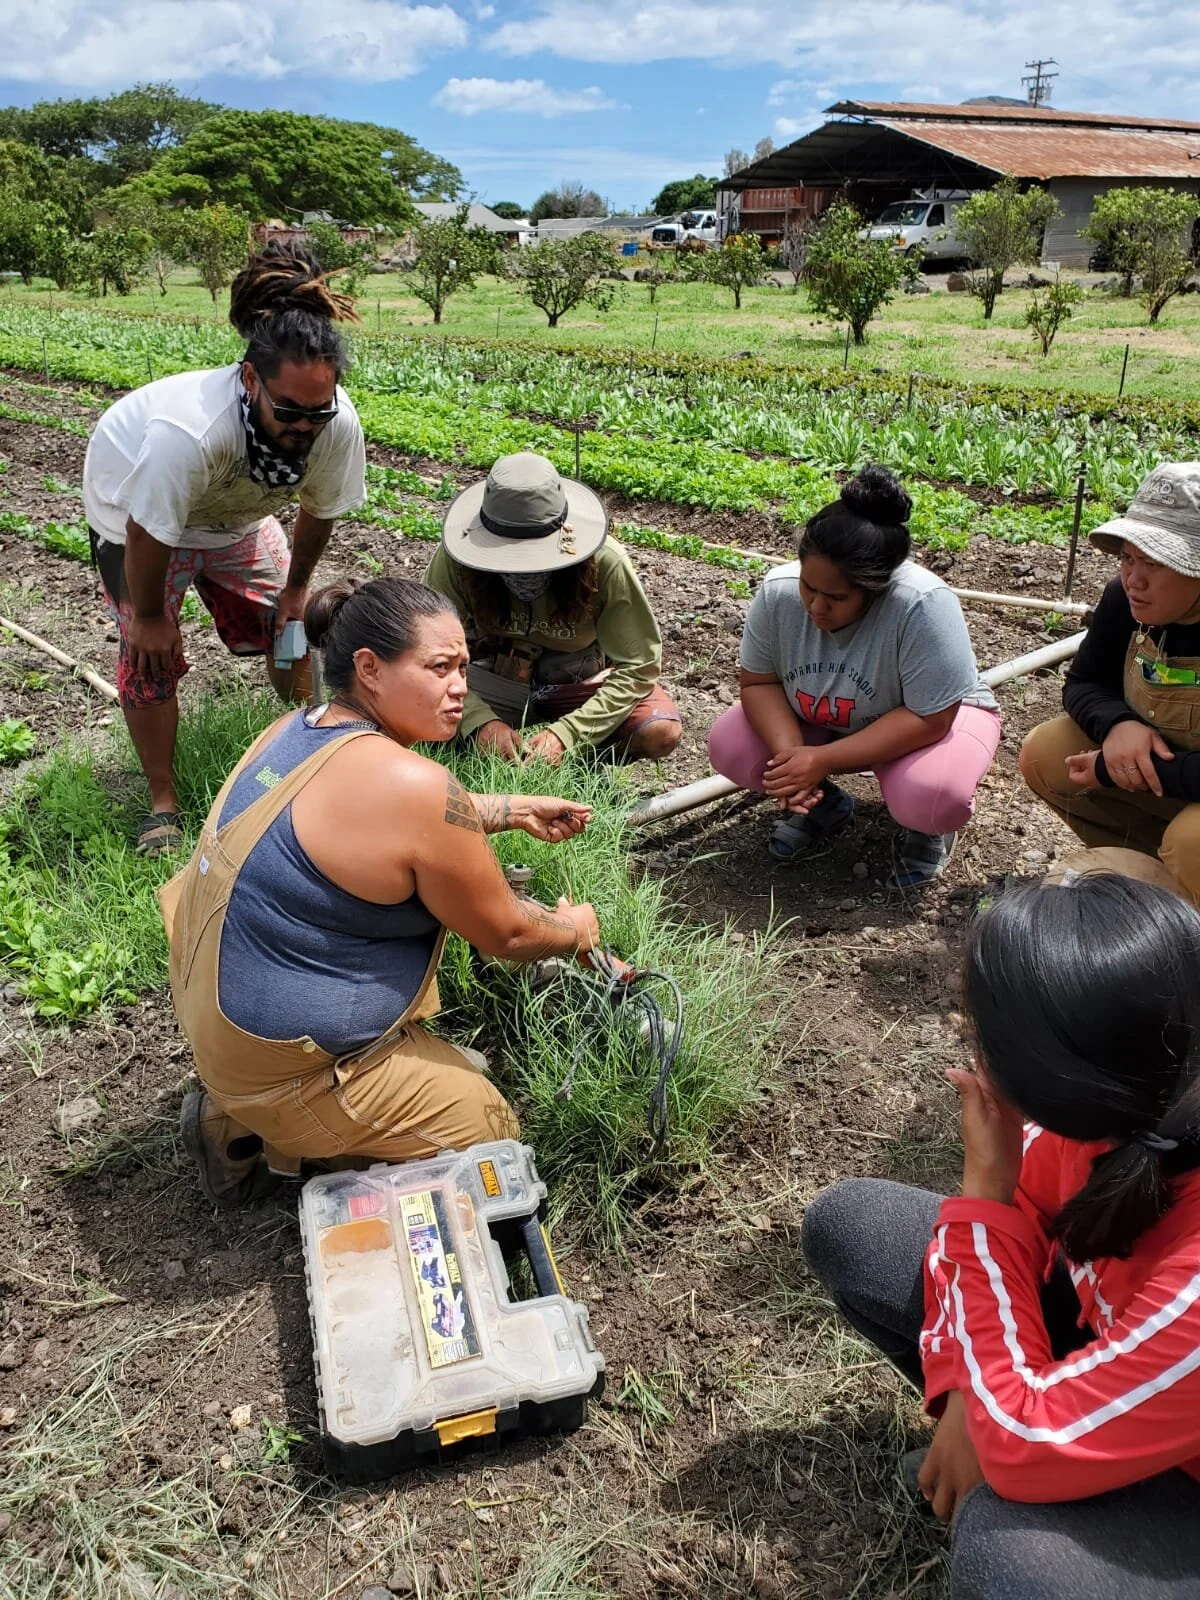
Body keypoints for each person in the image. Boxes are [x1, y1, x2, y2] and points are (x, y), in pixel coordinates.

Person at [802, 873, 1200, 1598]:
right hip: (1126, 1372)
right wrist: (964, 1401)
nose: (971, 1052)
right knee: (853, 1228)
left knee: (1006, 1557)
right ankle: (1001, 1466)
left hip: (1183, 1462)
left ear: (1055, 1076)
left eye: (980, 1039)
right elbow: (1014, 1227)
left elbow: (1027, 1432)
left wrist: (983, 1186)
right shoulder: (1142, 1096)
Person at [168, 575, 606, 1209]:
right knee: (486, 1128)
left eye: (463, 665)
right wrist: (575, 930)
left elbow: (376, 823)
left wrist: (509, 808)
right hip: (285, 1070)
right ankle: (268, 1137)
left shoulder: (299, 728)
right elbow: (507, 933)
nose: (462, 686)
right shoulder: (415, 785)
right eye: (439, 668)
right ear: (370, 668)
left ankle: (240, 1115)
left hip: (215, 1015)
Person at [83, 245, 367, 855]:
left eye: (318, 412)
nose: (305, 426)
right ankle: (163, 803)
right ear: (249, 380)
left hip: (236, 518)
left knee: (289, 631)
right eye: (289, 410)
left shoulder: (335, 424)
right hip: (136, 523)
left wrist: (294, 591)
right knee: (148, 656)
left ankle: (304, 750)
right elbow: (147, 531)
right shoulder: (187, 432)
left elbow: (319, 509)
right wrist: (153, 618)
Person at [707, 466, 1001, 888]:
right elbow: (759, 682)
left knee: (933, 794)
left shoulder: (921, 605)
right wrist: (794, 759)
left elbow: (930, 718)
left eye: (837, 598)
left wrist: (821, 758)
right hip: (830, 717)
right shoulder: (778, 592)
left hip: (933, 719)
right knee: (732, 745)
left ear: (876, 588)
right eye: (809, 588)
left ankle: (928, 828)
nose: (816, 608)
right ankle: (822, 805)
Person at [424, 452, 681, 766]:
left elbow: (639, 665)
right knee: (404, 704)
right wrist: (478, 723)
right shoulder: (456, 560)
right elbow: (425, 652)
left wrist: (570, 734)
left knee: (659, 731)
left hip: (577, 679)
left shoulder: (606, 562)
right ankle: (485, 744)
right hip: (491, 674)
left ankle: (580, 765)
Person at [1021, 462, 1200, 905]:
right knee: (1046, 752)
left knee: (1191, 842)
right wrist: (1118, 725)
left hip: (1181, 785)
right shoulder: (1125, 600)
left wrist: (1112, 768)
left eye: (1156, 563)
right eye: (1127, 557)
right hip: (1172, 782)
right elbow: (1082, 682)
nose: (1134, 579)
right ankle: (1154, 883)